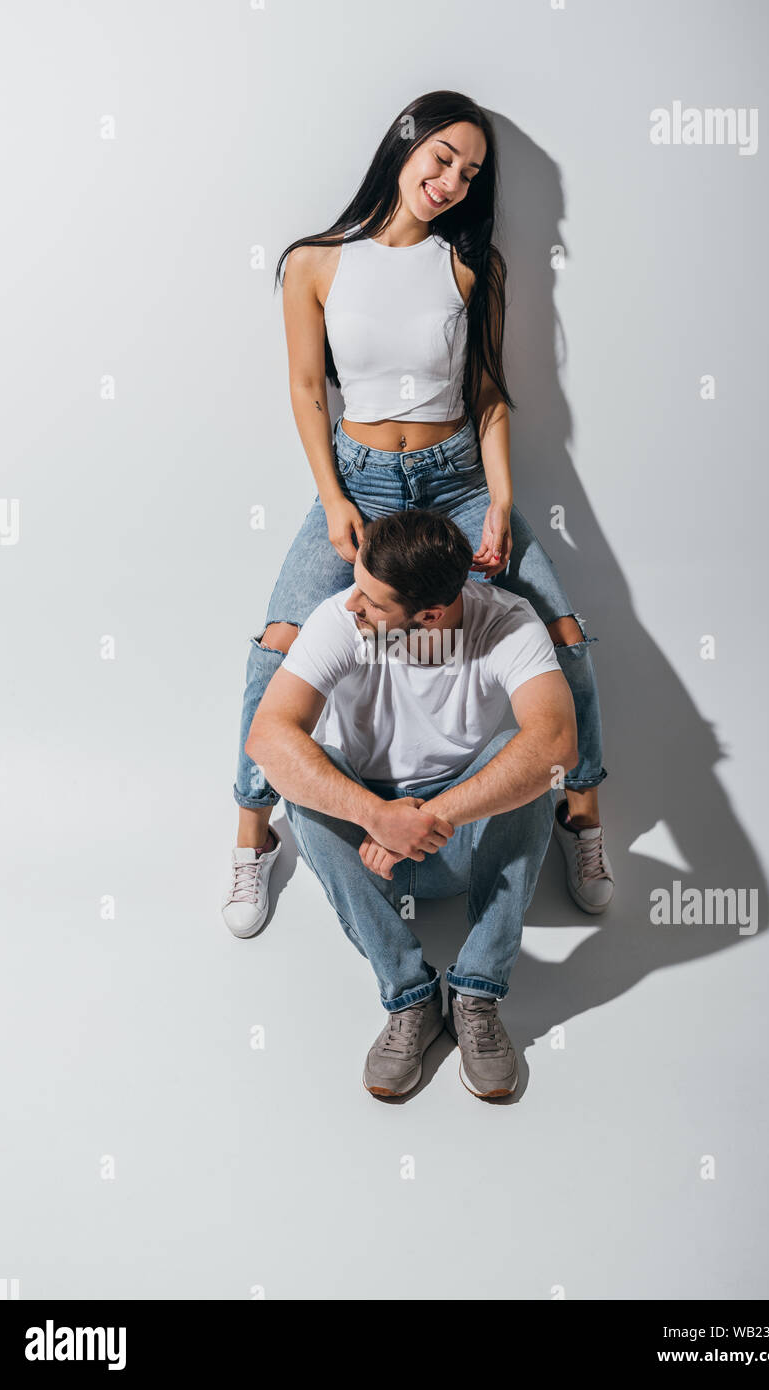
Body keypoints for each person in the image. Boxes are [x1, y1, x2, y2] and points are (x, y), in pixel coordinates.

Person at [222, 88, 614, 939]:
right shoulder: (315, 262)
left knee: (566, 635)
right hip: (360, 478)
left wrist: (501, 502)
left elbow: (489, 397)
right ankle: (252, 835)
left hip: (457, 480)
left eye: (469, 174)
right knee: (280, 642)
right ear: (404, 147)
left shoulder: (473, 267)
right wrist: (333, 497)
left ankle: (579, 819)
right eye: (441, 159)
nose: (450, 182)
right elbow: (303, 389)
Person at [246, 510, 580, 1099]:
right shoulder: (341, 619)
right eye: (358, 587)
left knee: (525, 758)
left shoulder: (506, 623)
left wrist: (437, 815)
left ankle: (477, 993)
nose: (353, 605)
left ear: (429, 615)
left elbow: (557, 741)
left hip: (462, 840)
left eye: (374, 603)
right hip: (372, 849)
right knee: (308, 771)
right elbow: (267, 738)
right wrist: (377, 816)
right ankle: (411, 998)